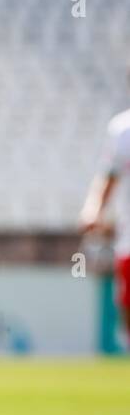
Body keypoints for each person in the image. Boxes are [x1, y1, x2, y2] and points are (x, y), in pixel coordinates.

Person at [78, 86, 130, 336]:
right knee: (127, 311)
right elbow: (109, 176)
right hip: (129, 239)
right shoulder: (123, 130)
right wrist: (94, 209)